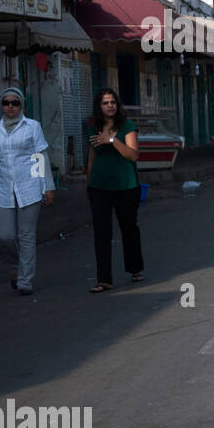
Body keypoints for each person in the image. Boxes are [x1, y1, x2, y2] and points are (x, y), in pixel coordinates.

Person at [0, 87, 56, 295]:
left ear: (21, 105)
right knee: (5, 236)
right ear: (1, 106)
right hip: (2, 189)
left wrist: (48, 186)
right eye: (6, 103)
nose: (10, 106)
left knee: (26, 235)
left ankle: (25, 280)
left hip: (29, 186)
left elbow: (41, 156)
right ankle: (17, 268)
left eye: (14, 103)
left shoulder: (32, 127)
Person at [84, 87, 144, 293]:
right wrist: (88, 181)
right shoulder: (94, 128)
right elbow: (92, 157)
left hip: (126, 186)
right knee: (102, 233)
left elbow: (133, 155)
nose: (110, 106)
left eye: (113, 102)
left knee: (128, 229)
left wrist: (112, 140)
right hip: (99, 187)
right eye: (105, 103)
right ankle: (104, 279)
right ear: (99, 107)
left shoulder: (127, 126)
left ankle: (135, 268)